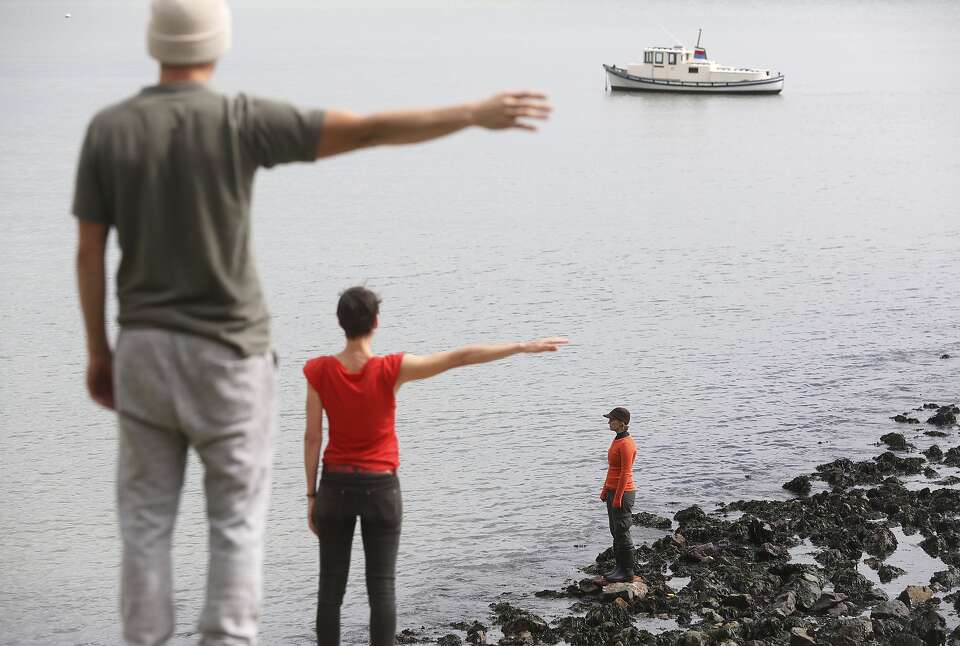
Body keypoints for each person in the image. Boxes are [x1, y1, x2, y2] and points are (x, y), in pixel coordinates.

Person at [72, 0, 552, 643]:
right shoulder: (240, 120)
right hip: (231, 353)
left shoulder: (108, 129)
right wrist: (470, 113)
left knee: (146, 527)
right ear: (219, 44)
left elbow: (89, 252)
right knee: (235, 526)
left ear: (154, 41)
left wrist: (100, 354)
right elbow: (369, 130)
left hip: (144, 350)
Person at [302, 286, 567, 645]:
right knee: (382, 589)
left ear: (339, 322)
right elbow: (460, 357)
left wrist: (312, 495)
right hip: (380, 489)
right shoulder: (391, 368)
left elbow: (312, 437)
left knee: (330, 590)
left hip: (335, 487)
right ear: (376, 322)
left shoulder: (319, 370)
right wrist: (521, 346)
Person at [599, 407, 637, 583]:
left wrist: (618, 497)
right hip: (613, 491)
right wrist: (605, 490)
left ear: (621, 423)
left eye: (611, 419)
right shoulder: (617, 440)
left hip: (624, 492)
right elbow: (613, 469)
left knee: (622, 530)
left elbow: (625, 473)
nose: (609, 422)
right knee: (615, 531)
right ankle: (618, 568)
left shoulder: (627, 444)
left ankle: (627, 572)